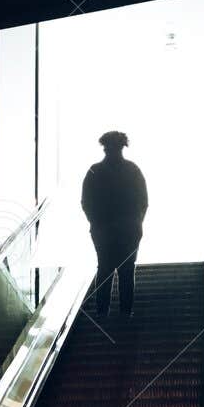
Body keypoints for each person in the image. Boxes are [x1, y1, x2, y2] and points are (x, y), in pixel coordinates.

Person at [80, 130, 148, 316]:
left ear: (104, 147)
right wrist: (136, 223)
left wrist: (95, 223)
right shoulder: (133, 170)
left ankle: (102, 312)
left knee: (104, 268)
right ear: (122, 147)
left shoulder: (95, 171)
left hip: (104, 230)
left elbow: (86, 202)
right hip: (129, 229)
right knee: (127, 270)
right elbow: (143, 201)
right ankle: (126, 313)